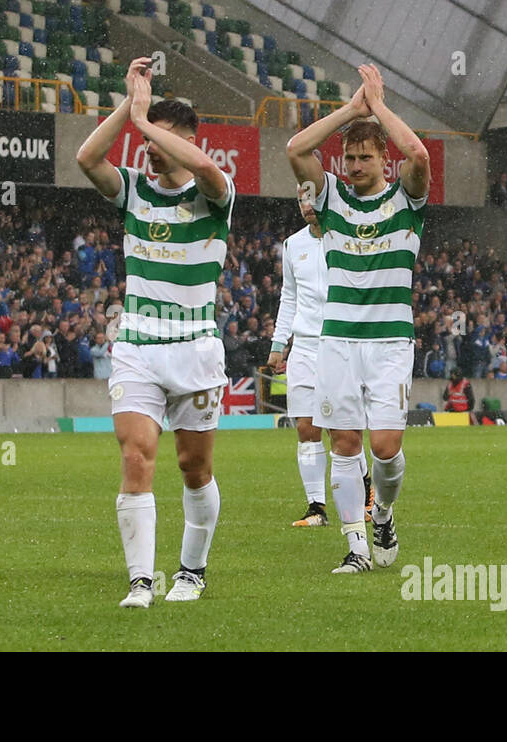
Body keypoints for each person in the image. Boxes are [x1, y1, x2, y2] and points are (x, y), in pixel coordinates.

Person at [77, 56, 232, 607]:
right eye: (145, 139)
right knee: (137, 455)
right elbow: (86, 157)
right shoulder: (132, 191)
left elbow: (210, 171)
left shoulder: (216, 195)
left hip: (195, 349)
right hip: (138, 346)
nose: (146, 148)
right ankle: (141, 581)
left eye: (161, 140)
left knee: (195, 468)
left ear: (190, 140)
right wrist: (130, 108)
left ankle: (192, 570)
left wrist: (147, 124)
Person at [287, 63, 430, 574]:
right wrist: (350, 110)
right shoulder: (331, 196)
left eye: (364, 157)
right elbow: (295, 150)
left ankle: (384, 512)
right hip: (338, 342)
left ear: (383, 160)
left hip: (390, 344)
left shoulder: (406, 199)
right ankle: (355, 547)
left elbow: (419, 153)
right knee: (344, 444)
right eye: (348, 157)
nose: (353, 166)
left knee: (386, 450)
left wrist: (379, 106)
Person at [267, 184, 375, 528]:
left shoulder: (346, 236)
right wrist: (278, 342)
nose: (307, 204)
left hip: (341, 344)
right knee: (305, 426)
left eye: (313, 196)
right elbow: (289, 297)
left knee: (342, 431)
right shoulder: (292, 245)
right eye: (301, 197)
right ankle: (316, 508)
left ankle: (367, 489)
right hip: (305, 347)